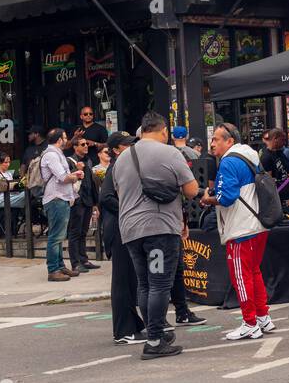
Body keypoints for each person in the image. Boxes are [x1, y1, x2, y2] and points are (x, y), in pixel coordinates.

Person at [114, 112, 200, 359]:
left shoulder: (123, 158)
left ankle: (157, 332)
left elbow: (120, 193)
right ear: (164, 131)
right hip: (158, 230)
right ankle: (154, 340)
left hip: (131, 230)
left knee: (145, 283)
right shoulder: (170, 153)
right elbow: (192, 190)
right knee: (160, 283)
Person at [201, 122, 275, 340]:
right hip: (258, 224)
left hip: (241, 228)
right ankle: (263, 317)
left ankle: (250, 322)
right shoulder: (250, 156)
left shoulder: (228, 162)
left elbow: (227, 198)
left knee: (241, 277)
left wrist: (208, 199)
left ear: (229, 141)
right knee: (254, 272)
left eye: (216, 139)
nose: (212, 143)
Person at [99, 133, 146, 344]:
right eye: (127, 145)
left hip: (125, 227)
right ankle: (123, 331)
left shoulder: (124, 165)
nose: (131, 148)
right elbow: (106, 197)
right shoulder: (116, 166)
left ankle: (133, 324)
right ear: (116, 149)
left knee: (130, 280)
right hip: (117, 229)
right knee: (122, 281)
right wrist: (128, 208)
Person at [40, 128, 84, 282]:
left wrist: (73, 176)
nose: (67, 140)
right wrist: (76, 176)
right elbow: (62, 177)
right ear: (59, 140)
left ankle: (60, 266)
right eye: (65, 138)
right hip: (55, 198)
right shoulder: (52, 155)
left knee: (59, 235)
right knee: (56, 236)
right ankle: (53, 269)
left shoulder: (57, 153)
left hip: (60, 198)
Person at [66, 135, 100, 274]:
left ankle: (83, 259)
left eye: (86, 143)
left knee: (84, 231)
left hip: (87, 200)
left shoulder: (88, 161)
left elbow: (91, 183)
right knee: (75, 232)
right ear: (75, 147)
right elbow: (65, 179)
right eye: (82, 144)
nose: (86, 146)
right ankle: (75, 263)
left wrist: (94, 203)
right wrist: (76, 169)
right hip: (77, 200)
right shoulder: (69, 161)